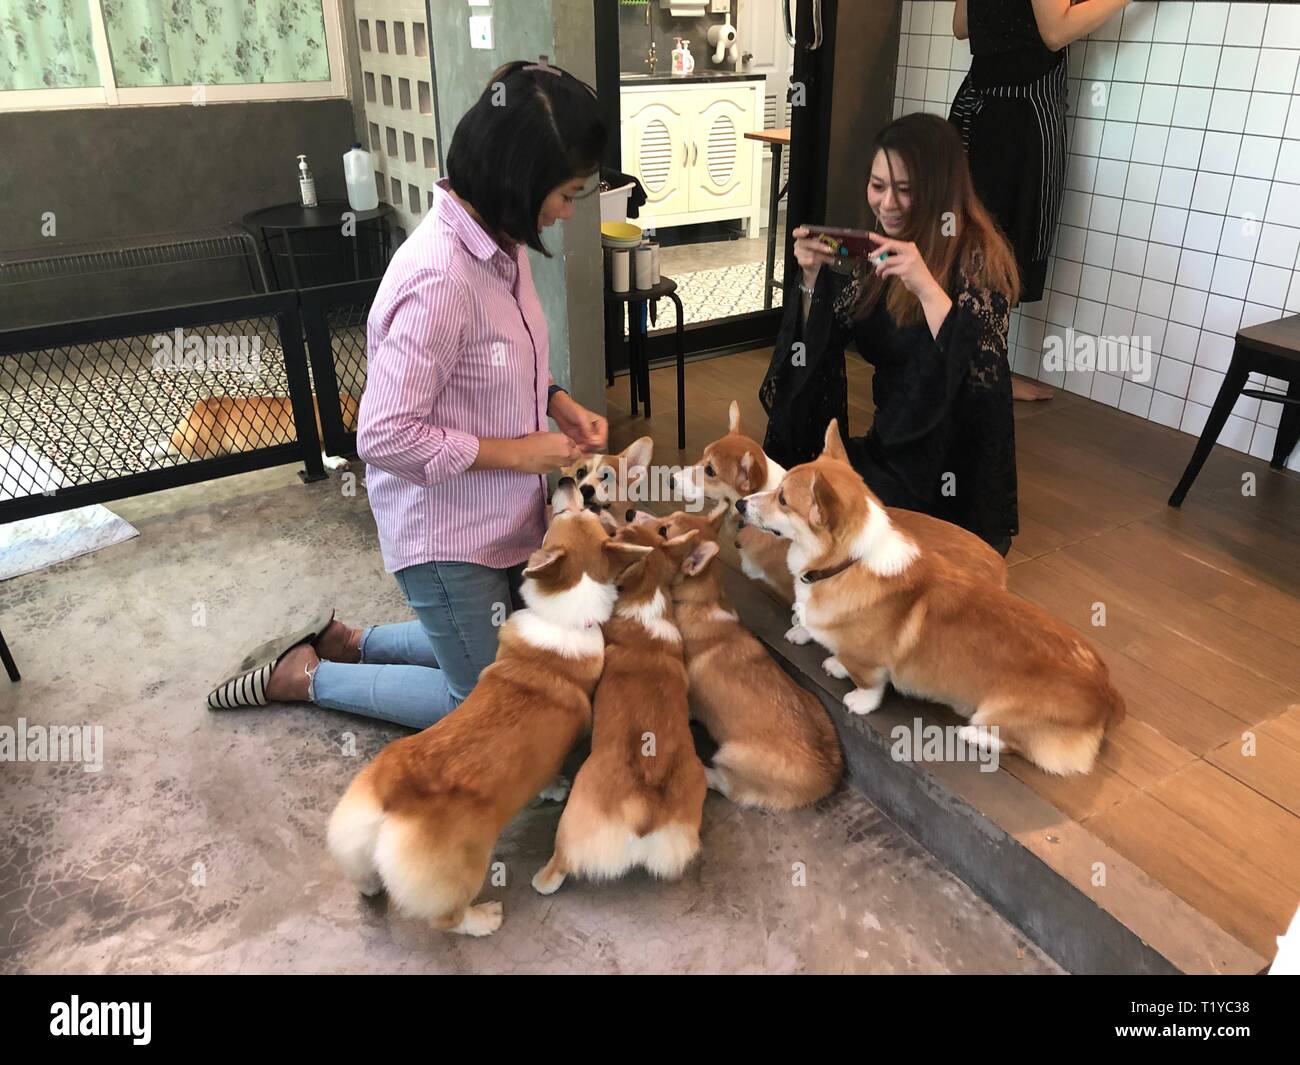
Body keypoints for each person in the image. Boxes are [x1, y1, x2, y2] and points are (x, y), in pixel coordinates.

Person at [206, 59, 609, 727]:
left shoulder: (499, 245)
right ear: (521, 180)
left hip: (501, 515)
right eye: (567, 192)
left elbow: (494, 365)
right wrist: (520, 455)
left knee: (512, 648)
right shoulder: (438, 278)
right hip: (447, 531)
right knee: (487, 709)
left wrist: (556, 399)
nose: (568, 211)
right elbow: (384, 435)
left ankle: (352, 641)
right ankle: (304, 676)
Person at [759, 113, 1020, 555]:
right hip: (888, 448)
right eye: (878, 186)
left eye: (906, 190)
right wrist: (809, 280)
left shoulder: (976, 255)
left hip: (946, 467)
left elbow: (983, 381)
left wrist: (925, 287)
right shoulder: (884, 248)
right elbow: (826, 333)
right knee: (797, 497)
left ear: (939, 190)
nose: (888, 204)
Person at [950, 0, 1133, 401]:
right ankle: (986, 374)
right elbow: (1054, 32)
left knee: (968, 236)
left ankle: (963, 366)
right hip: (1020, 114)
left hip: (978, 103)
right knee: (1004, 242)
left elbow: (962, 25)